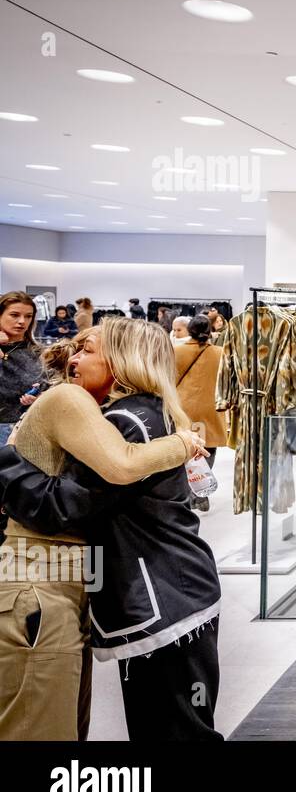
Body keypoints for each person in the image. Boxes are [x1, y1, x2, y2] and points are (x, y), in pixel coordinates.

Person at [0, 317, 221, 740]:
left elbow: (63, 506)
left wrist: (7, 465)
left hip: (155, 597)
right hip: (154, 590)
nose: (73, 356)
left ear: (122, 360)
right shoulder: (147, 413)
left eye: (88, 349)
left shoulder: (125, 422)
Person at [175, 314, 226, 512]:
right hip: (210, 407)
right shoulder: (220, 352)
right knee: (208, 449)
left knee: (185, 450)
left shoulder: (177, 351)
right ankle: (200, 491)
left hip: (184, 408)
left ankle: (189, 493)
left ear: (190, 330)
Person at [0, 292, 43, 444]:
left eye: (28, 316)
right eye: (14, 315)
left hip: (26, 429)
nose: (21, 321)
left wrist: (39, 398)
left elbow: (48, 388)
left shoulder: (38, 353)